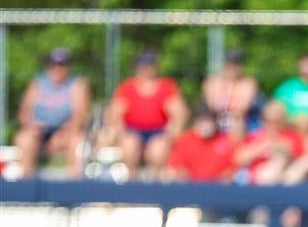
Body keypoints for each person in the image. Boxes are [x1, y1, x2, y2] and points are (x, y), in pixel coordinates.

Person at [105, 50, 188, 181]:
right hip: (132, 130)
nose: (147, 69)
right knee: (129, 146)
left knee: (158, 150)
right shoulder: (128, 87)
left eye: (150, 65)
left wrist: (170, 133)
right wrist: (120, 132)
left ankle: (153, 187)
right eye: (144, 66)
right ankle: (132, 185)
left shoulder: (166, 87)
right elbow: (114, 114)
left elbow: (179, 114)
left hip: (158, 131)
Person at [14, 47, 90, 179]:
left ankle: (75, 189)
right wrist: (31, 126)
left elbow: (80, 114)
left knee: (78, 142)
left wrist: (65, 134)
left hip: (67, 131)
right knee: (24, 140)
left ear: (68, 67)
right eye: (54, 64)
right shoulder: (37, 83)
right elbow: (23, 113)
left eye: (62, 65)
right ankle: (28, 188)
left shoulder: (77, 84)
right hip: (40, 132)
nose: (57, 69)